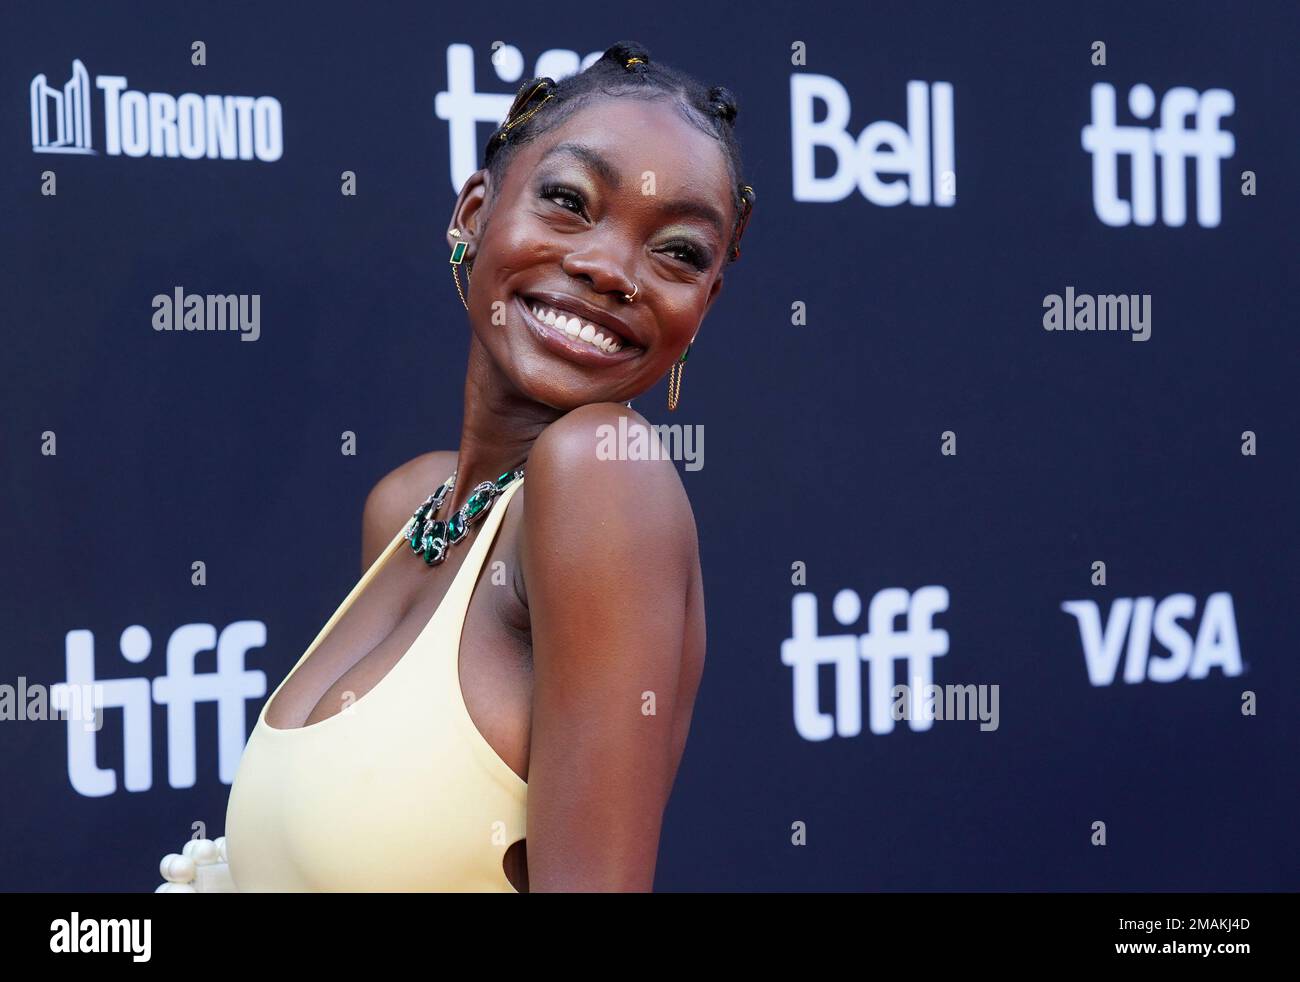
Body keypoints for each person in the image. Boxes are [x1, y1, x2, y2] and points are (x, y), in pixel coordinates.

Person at [223, 39, 756, 892]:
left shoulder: (602, 477)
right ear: (474, 211)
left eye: (680, 252)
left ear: (704, 306)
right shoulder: (409, 506)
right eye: (569, 202)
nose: (609, 269)